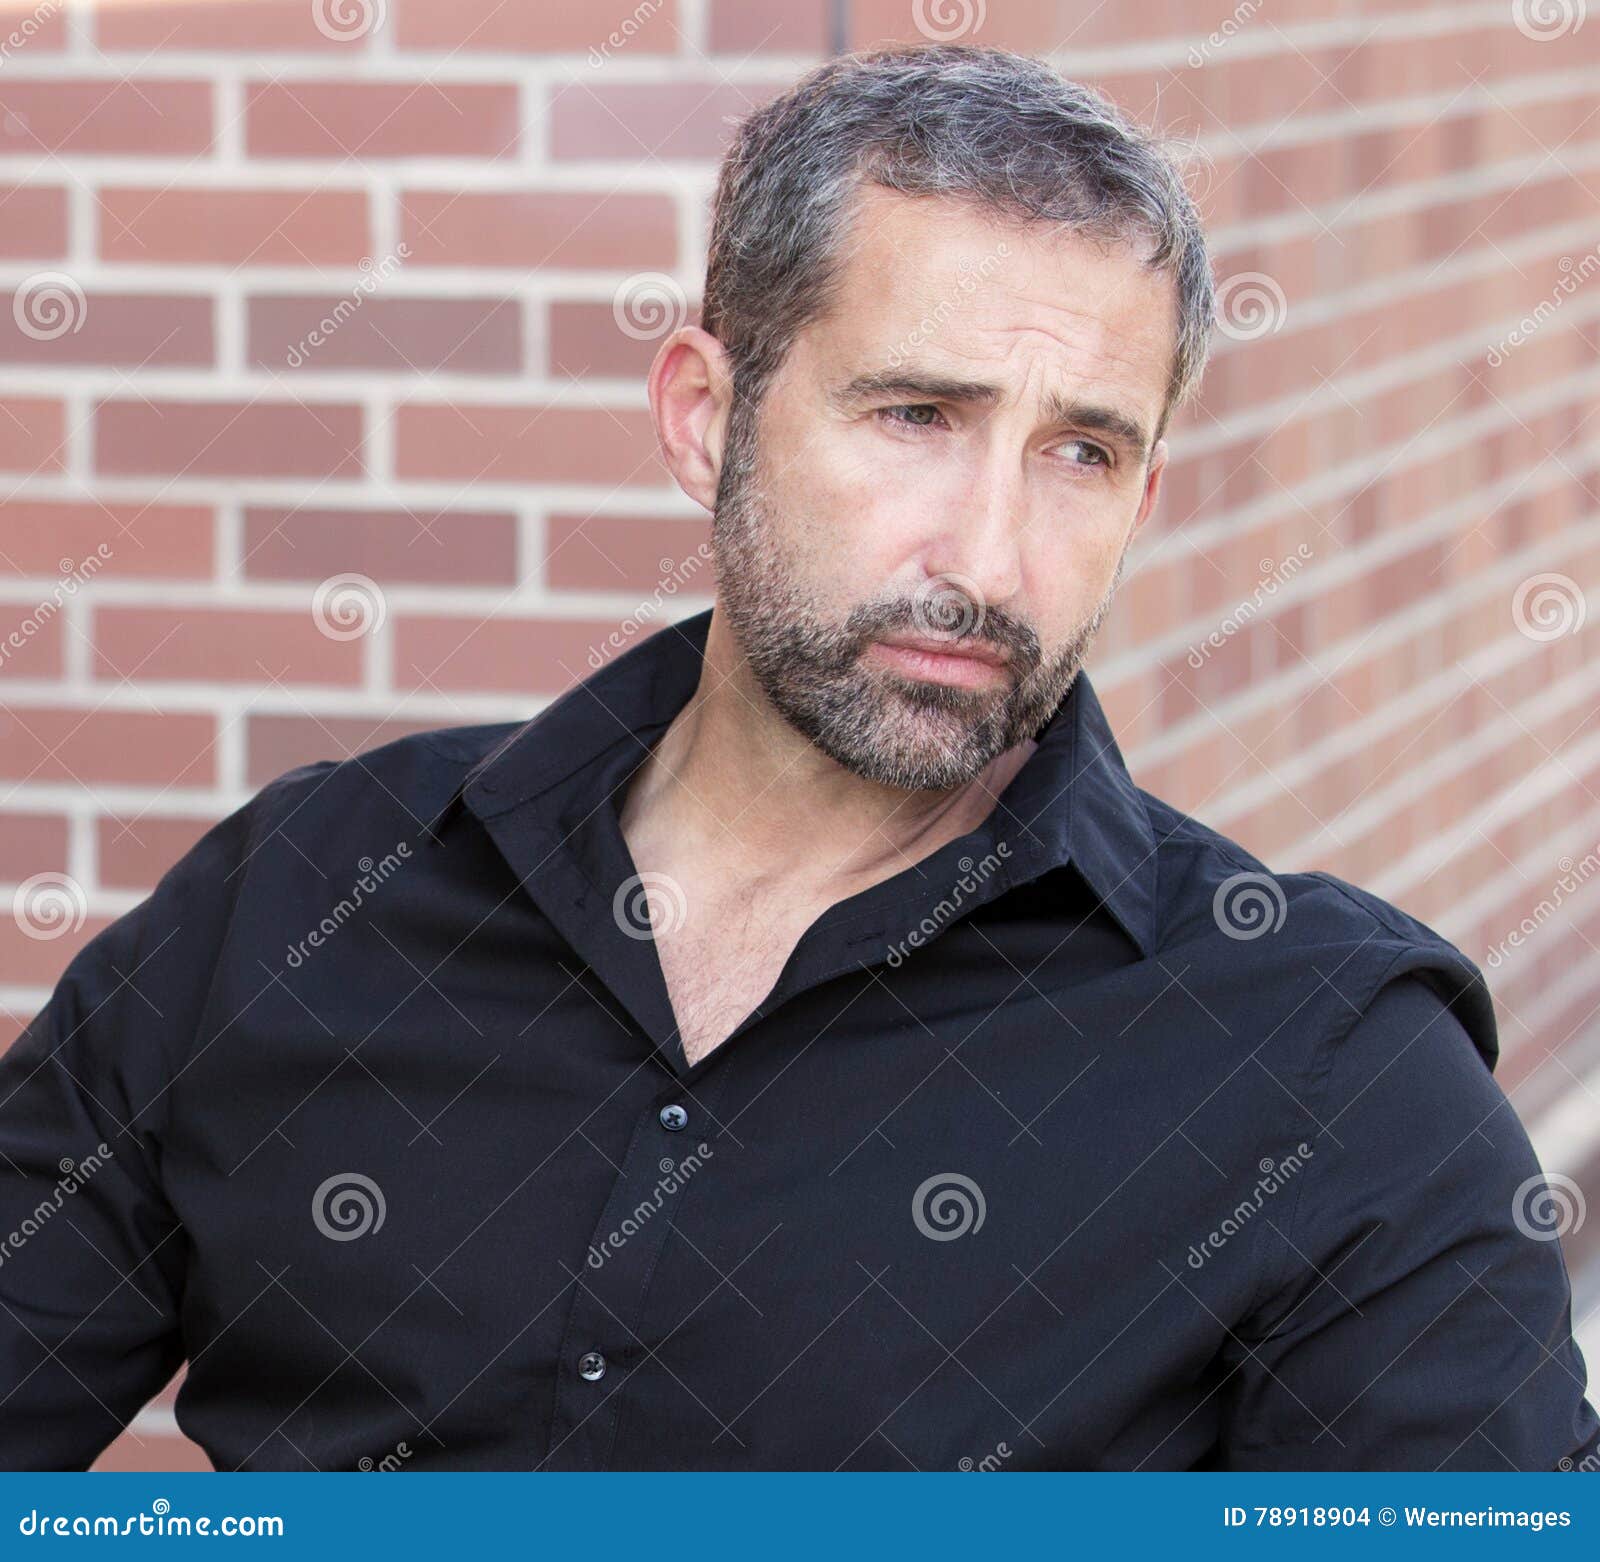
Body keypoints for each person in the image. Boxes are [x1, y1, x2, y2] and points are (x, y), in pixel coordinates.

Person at [1, 42, 1595, 1472]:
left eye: (1079, 454)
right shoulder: (306, 898)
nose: (986, 554)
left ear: (1146, 501)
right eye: (914, 415)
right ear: (706, 412)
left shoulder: (1328, 1070)